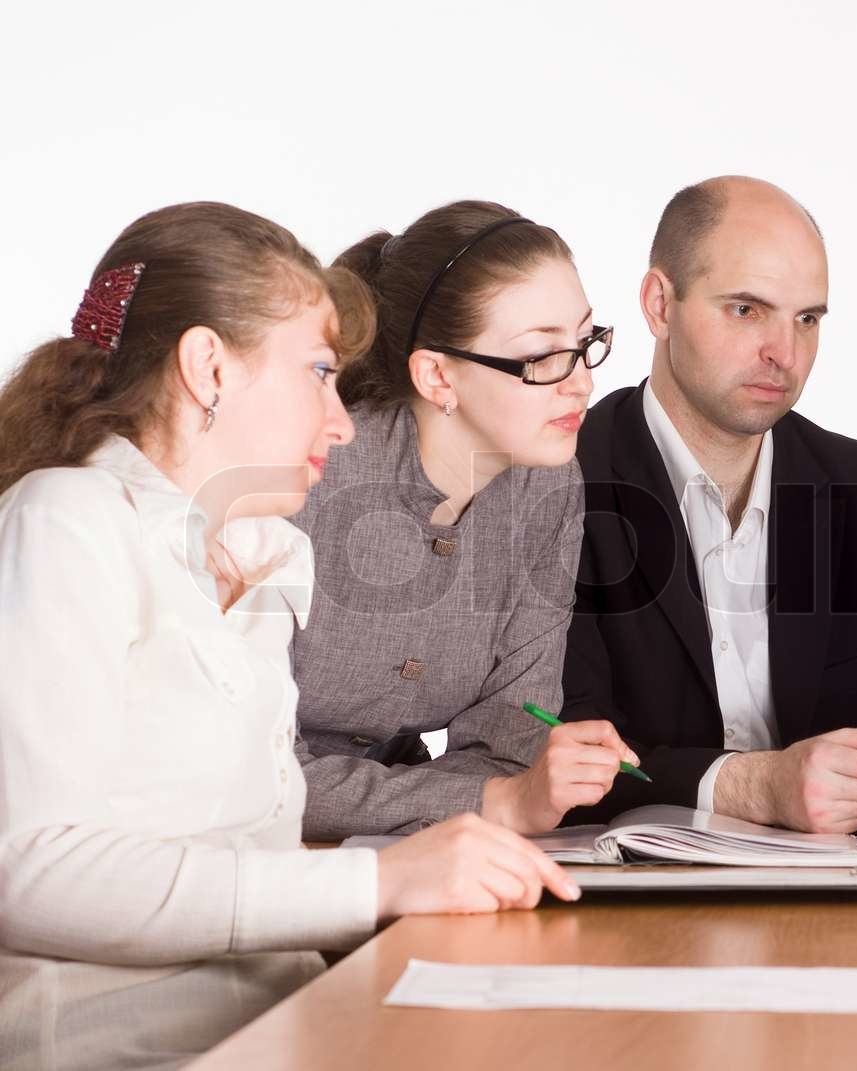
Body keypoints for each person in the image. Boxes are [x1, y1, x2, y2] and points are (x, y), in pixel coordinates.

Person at [0, 203, 578, 1070]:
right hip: (118, 1038)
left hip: (283, 1014)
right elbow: (31, 873)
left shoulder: (266, 553)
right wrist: (382, 881)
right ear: (208, 368)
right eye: (316, 372)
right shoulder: (66, 520)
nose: (342, 421)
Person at [562, 176, 857, 834]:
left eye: (806, 318)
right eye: (746, 310)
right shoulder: (553, 490)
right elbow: (545, 758)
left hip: (842, 919)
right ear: (659, 305)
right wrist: (750, 784)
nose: (785, 352)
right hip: (624, 918)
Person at [290, 201, 634, 841]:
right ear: (438, 376)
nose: (582, 382)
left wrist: (517, 788)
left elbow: (511, 736)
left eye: (587, 342)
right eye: (543, 357)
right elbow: (256, 776)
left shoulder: (550, 485)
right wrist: (493, 803)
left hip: (403, 850)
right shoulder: (307, 474)